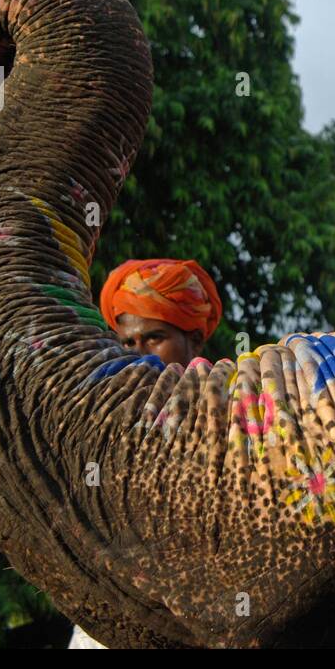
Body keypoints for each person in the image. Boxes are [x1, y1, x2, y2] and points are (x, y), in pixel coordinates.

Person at [66, 257, 222, 649]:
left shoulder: (227, 410)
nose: (139, 354)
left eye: (154, 338)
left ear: (196, 340)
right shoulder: (105, 416)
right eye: (128, 342)